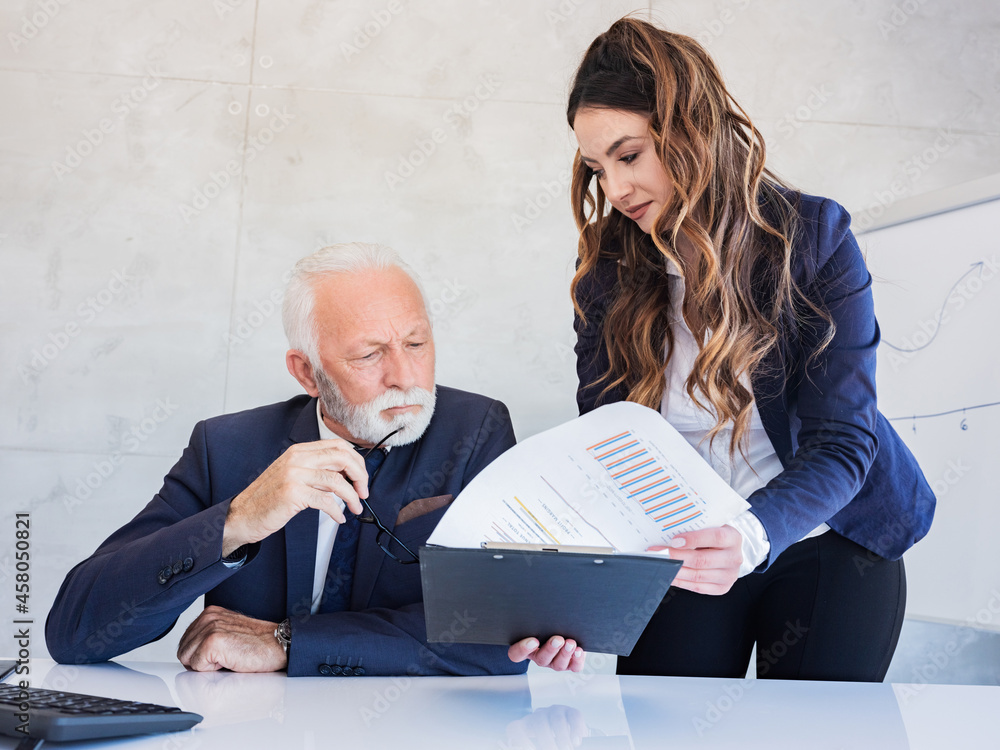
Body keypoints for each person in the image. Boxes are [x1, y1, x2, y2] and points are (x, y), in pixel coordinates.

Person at [510, 17, 935, 680]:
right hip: (682, 547)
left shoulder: (814, 239)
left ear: (689, 131)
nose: (616, 190)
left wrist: (750, 533)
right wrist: (573, 595)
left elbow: (844, 442)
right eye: (598, 169)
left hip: (828, 540)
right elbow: (606, 447)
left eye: (629, 155)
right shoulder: (606, 273)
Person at [46, 242, 524, 678]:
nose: (405, 376)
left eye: (416, 344)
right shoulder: (226, 446)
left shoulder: (476, 430)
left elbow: (501, 640)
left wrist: (288, 642)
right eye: (369, 355)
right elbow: (73, 633)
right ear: (306, 373)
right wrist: (237, 521)